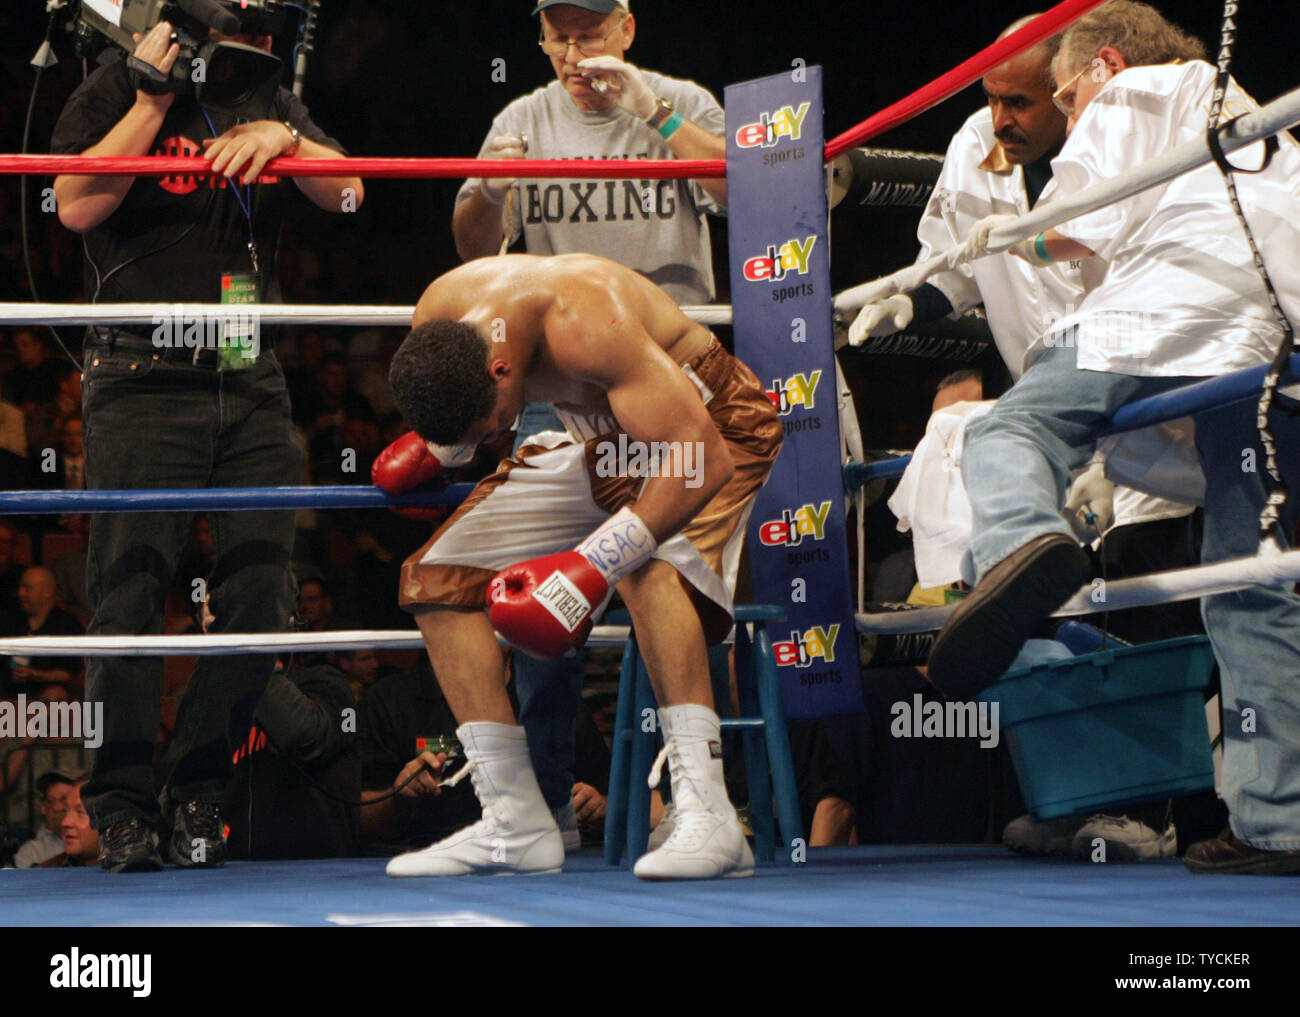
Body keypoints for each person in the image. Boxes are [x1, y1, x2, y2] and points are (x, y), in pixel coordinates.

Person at [927, 0, 1300, 873]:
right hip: (1268, 344)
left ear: (1101, 63)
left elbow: (1075, 224)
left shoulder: (1138, 90)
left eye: (1064, 96)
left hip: (1167, 310)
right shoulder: (1247, 119)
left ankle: (1025, 547)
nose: (1065, 114)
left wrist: (1016, 236)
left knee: (1010, 426)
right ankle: (1278, 821)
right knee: (1246, 580)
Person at [852, 14, 1196, 861]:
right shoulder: (979, 141)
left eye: (1022, 100)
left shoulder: (1131, 123)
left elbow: (1084, 241)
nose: (1001, 116)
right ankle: (1071, 796)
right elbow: (958, 265)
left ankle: (1149, 814)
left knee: (1142, 602)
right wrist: (913, 303)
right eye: (991, 97)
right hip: (1056, 396)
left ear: (1075, 86)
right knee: (1016, 604)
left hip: (1143, 383)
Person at [49, 17, 363, 872]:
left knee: (261, 594)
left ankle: (199, 792)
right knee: (130, 601)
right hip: (138, 370)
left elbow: (351, 191)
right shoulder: (114, 82)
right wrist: (151, 102)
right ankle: (119, 807)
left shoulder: (261, 87)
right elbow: (75, 203)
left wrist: (286, 137)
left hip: (242, 367)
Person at [373, 253, 781, 879]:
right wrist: (441, 448)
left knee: (647, 566)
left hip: (712, 432)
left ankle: (709, 812)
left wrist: (594, 562)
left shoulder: (584, 321)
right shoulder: (438, 314)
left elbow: (700, 458)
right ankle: (516, 821)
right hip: (604, 446)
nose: (489, 442)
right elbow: (468, 414)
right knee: (436, 578)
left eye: (492, 428)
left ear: (500, 368)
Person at [452, 0, 729, 847]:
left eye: (592, 31)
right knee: (533, 596)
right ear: (540, 38)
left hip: (672, 372)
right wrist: (491, 186)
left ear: (628, 29)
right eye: (560, 34)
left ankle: (698, 804)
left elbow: (742, 193)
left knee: (668, 577)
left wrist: (655, 110)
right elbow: (474, 251)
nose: (577, 50)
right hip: (562, 387)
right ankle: (535, 814)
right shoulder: (521, 118)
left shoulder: (682, 100)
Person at [13, 770, 75, 868]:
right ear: (43, 808)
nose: (56, 808)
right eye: (49, 801)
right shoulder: (32, 852)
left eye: (65, 800)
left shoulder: (103, 847)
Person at [39, 775, 99, 867]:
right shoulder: (46, 871)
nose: (65, 822)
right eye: (66, 811)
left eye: (80, 812)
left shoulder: (127, 875)